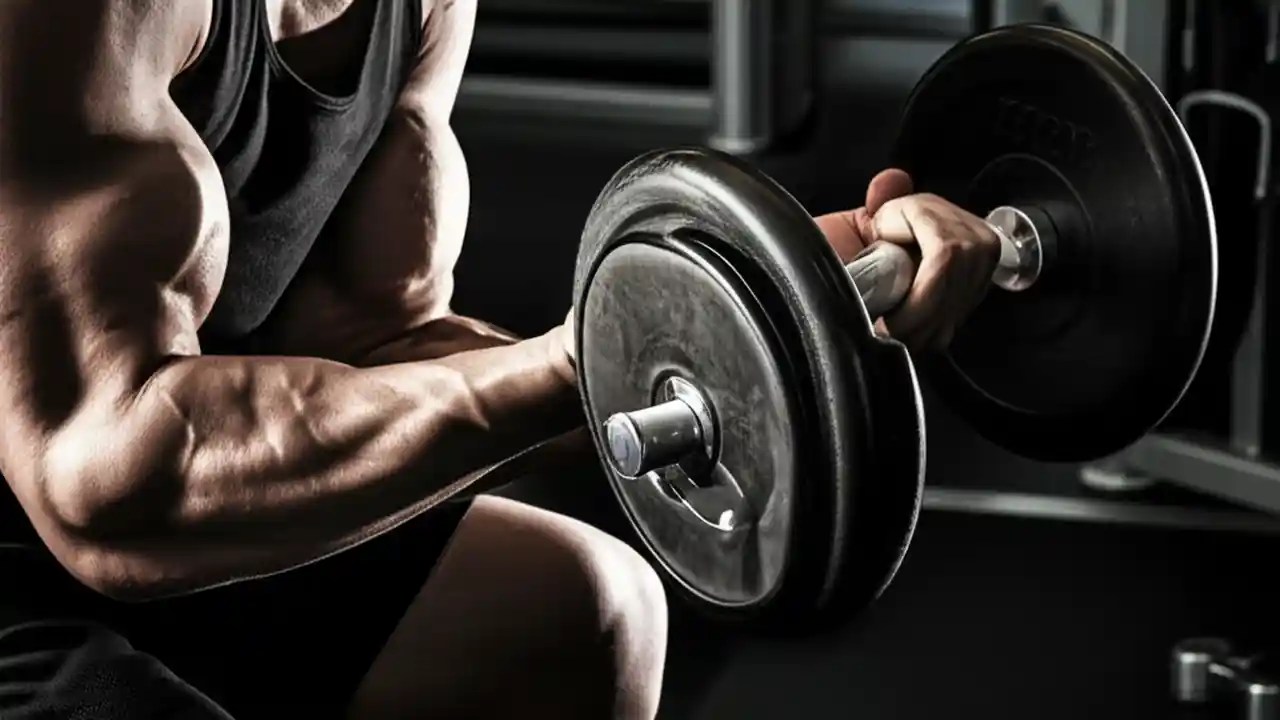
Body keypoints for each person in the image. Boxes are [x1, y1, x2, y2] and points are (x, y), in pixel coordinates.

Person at [0, 0, 1002, 718]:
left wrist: (775, 286)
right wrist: (587, 359)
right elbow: (109, 481)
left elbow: (379, 348)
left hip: (193, 540)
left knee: (583, 610)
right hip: (36, 563)